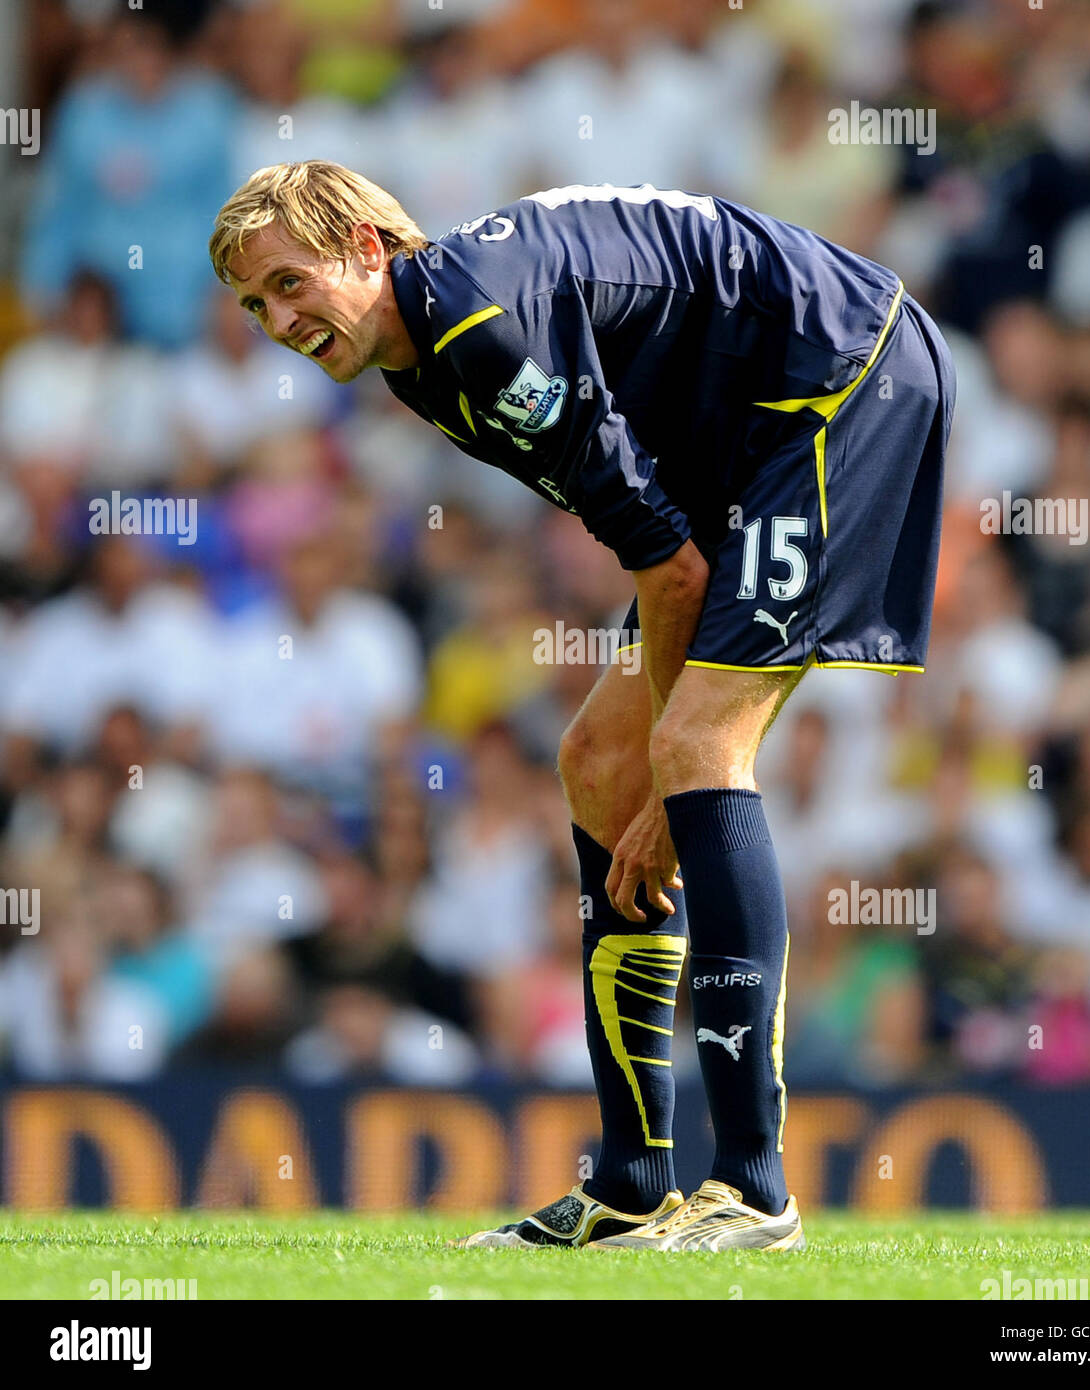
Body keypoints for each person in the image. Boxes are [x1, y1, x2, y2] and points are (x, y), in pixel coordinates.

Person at [209, 161, 956, 1251]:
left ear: (367, 247)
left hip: (840, 382)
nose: (277, 321)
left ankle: (753, 1189)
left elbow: (672, 577)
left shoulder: (474, 337)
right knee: (597, 768)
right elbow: (662, 555)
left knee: (696, 746)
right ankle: (628, 1185)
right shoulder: (416, 353)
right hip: (738, 424)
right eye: (252, 306)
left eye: (287, 282)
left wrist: (672, 771)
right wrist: (646, 772)